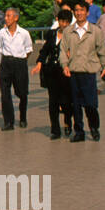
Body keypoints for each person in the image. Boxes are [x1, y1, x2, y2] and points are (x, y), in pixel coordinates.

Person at [61, 0, 105, 142]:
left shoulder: (95, 31)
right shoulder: (68, 31)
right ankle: (79, 132)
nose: (79, 13)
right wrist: (65, 65)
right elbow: (63, 50)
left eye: (82, 10)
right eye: (76, 10)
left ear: (87, 12)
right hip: (74, 71)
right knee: (76, 105)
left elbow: (102, 51)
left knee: (91, 104)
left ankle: (94, 128)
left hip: (89, 72)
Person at [33, 8, 74, 139]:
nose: (65, 24)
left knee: (66, 101)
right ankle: (55, 130)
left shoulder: (73, 36)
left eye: (67, 22)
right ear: (58, 21)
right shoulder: (51, 34)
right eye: (62, 21)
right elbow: (44, 50)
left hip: (65, 71)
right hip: (51, 71)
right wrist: (39, 63)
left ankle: (68, 122)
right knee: (53, 101)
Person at [0, 7, 32, 130]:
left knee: (22, 93)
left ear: (16, 18)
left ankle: (23, 117)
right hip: (6, 62)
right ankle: (8, 122)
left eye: (9, 16)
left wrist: (20, 61)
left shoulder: (24, 33)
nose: (6, 18)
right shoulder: (1, 33)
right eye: (5, 16)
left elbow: (28, 50)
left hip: (20, 63)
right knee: (5, 92)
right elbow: (0, 48)